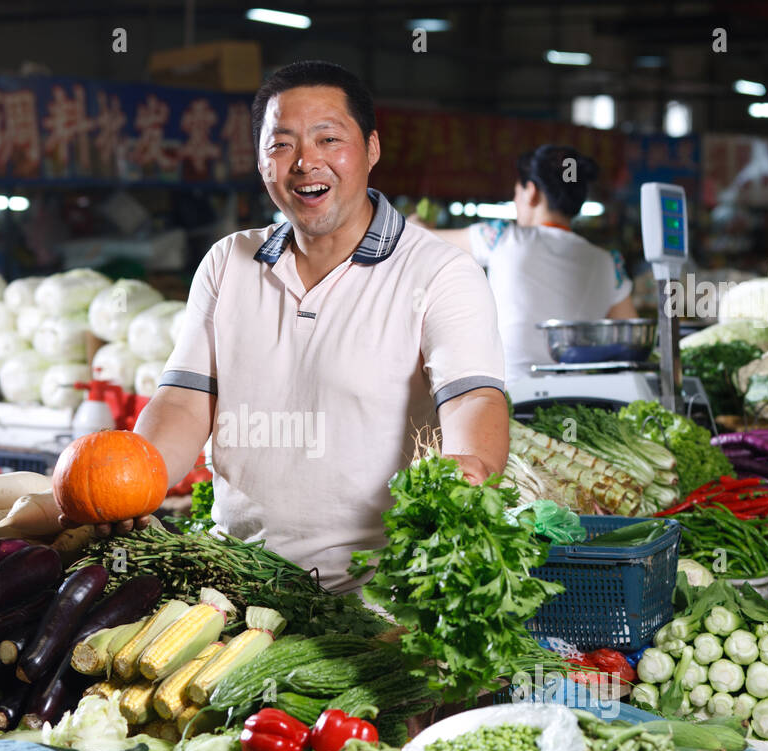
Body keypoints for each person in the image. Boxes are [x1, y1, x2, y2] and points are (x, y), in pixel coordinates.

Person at [114, 60, 509, 594]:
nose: (305, 162)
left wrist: (471, 465)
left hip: (379, 597)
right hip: (236, 583)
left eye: (329, 139)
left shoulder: (439, 271)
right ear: (260, 162)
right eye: (281, 145)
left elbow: (471, 397)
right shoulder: (229, 261)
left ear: (370, 149)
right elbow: (185, 402)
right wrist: (134, 483)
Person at [414, 145, 637, 384]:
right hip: (576, 402)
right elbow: (632, 340)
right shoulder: (607, 263)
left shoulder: (501, 238)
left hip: (506, 398)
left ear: (531, 192)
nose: (515, 201)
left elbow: (424, 241)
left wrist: (417, 223)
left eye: (516, 193)